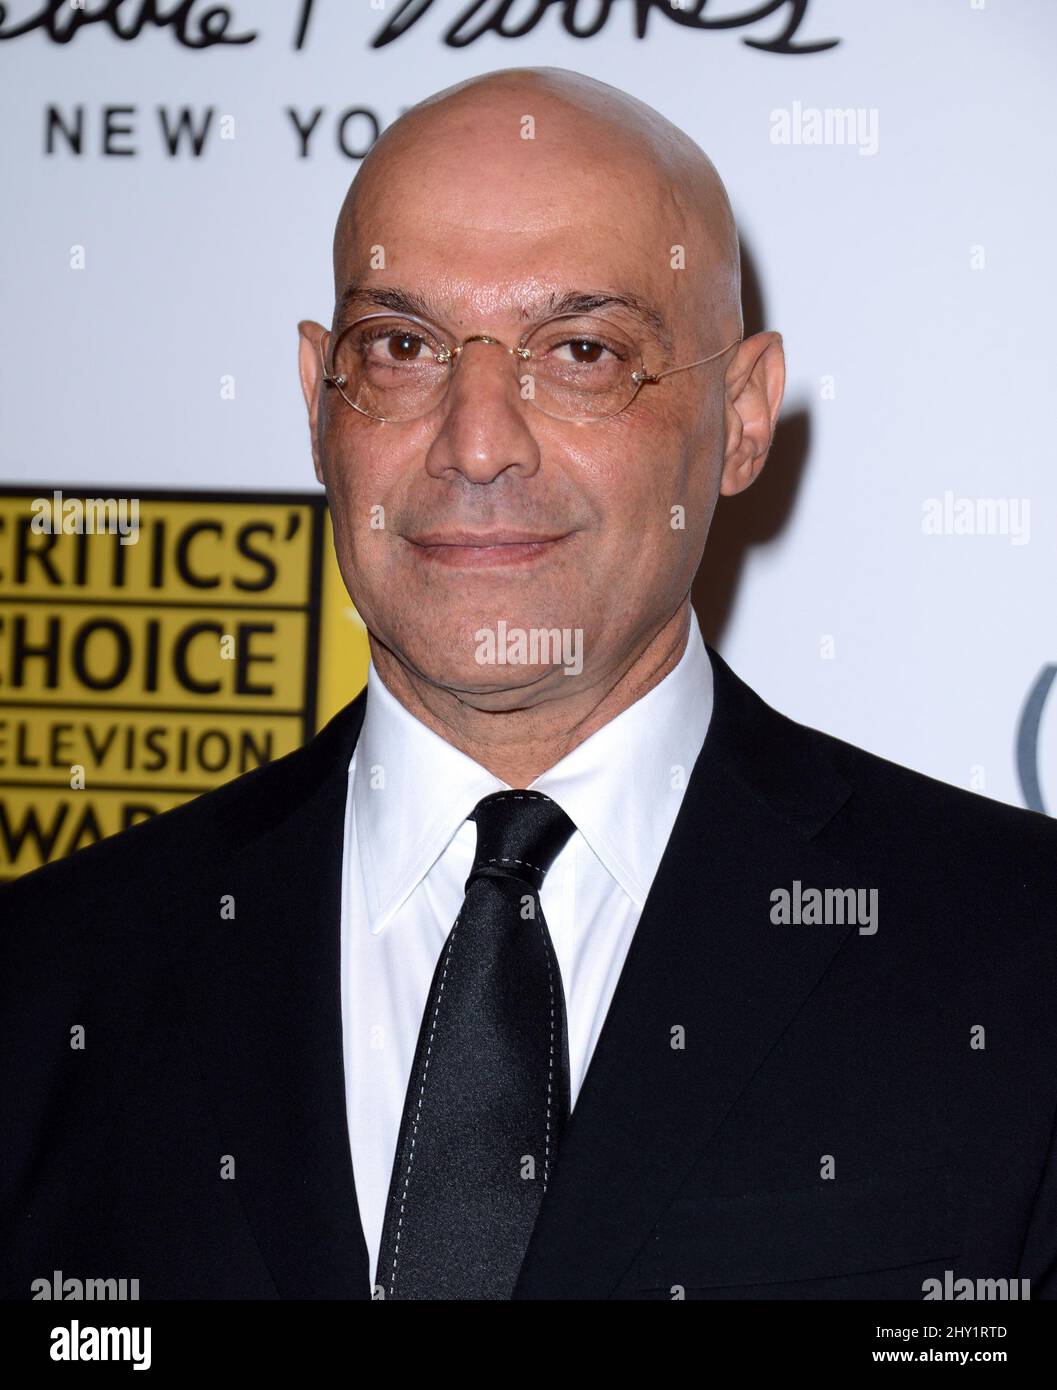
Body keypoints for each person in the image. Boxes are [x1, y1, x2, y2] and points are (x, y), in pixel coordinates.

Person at [2, 67, 1055, 1302]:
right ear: (314, 397)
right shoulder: (48, 982)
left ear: (745, 414)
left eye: (582, 350)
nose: (478, 439)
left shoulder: (1019, 961)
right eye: (400, 347)